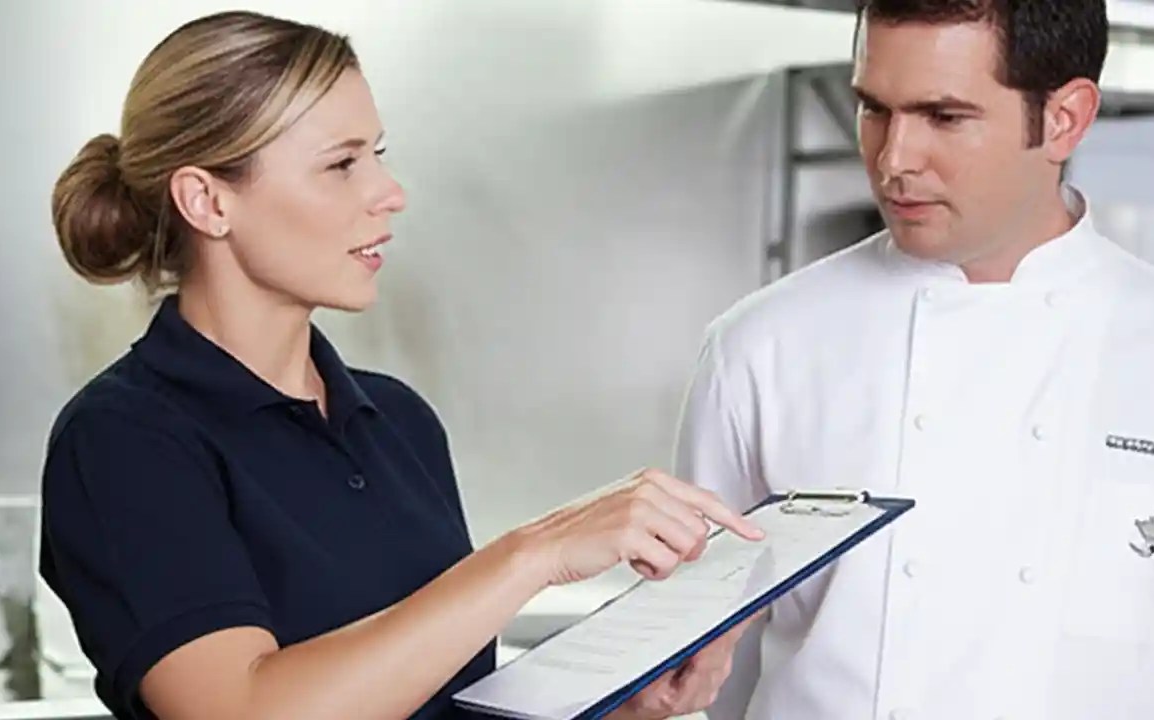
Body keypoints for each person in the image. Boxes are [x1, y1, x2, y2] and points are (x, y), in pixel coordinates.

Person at [39, 10, 765, 720]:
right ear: (207, 200)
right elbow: (241, 707)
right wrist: (534, 555)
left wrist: (610, 708)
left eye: (377, 154)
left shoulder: (398, 423)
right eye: (342, 163)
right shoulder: (123, 439)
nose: (390, 193)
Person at [674, 1, 1154, 719]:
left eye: (944, 116)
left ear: (1064, 118)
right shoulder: (761, 347)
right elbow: (712, 670)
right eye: (874, 108)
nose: (893, 159)